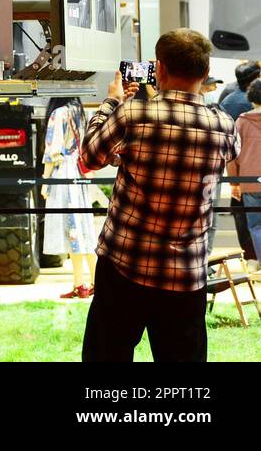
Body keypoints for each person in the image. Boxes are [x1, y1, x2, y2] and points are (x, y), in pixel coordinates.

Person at [80, 29, 240, 362]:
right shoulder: (224, 125)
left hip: (125, 264)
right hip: (185, 273)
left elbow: (89, 157)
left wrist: (112, 101)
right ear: (205, 73)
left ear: (160, 69)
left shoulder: (133, 116)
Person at [41, 98, 97, 298]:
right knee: (83, 229)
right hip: (79, 171)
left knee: (72, 228)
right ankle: (88, 282)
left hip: (64, 172)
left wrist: (45, 181)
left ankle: (80, 284)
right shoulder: (80, 112)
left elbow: (53, 151)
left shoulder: (59, 114)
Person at [228, 79, 261, 268]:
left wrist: (234, 182)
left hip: (249, 182)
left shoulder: (242, 121)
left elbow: (232, 154)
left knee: (256, 224)